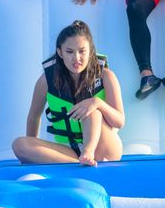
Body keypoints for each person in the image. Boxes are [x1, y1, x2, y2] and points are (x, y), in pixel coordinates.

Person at [11, 20, 124, 166]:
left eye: (82, 51)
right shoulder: (46, 81)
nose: (76, 58)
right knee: (19, 145)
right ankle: (80, 162)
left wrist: (97, 103)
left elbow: (119, 122)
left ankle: (88, 153)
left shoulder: (106, 76)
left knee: (92, 110)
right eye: (69, 52)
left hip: (104, 148)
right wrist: (32, 152)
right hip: (70, 150)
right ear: (60, 52)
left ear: (90, 50)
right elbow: (33, 117)